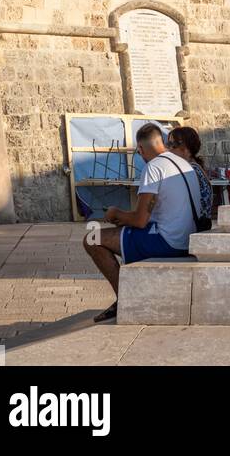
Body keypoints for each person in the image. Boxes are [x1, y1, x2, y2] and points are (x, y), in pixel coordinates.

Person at [83, 121, 202, 324]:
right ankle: (133, 293)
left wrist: (115, 213)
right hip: (188, 239)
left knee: (92, 239)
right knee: (123, 234)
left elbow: (139, 220)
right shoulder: (182, 163)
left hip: (169, 241)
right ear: (162, 142)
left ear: (140, 149)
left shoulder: (154, 167)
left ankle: (126, 301)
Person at [167, 125, 213, 223]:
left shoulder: (190, 171)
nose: (169, 149)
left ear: (186, 148)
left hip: (193, 229)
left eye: (173, 145)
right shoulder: (195, 167)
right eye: (168, 144)